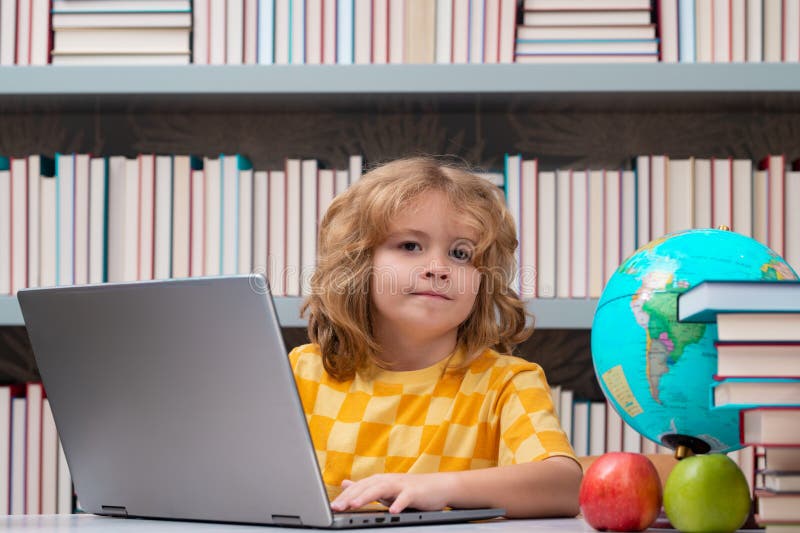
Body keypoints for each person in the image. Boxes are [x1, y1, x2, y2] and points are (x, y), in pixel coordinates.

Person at [291, 156, 582, 519]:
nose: (439, 269)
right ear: (358, 264)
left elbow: (565, 486)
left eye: (461, 254)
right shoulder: (300, 373)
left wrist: (438, 487)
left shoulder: (504, 383)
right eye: (411, 246)